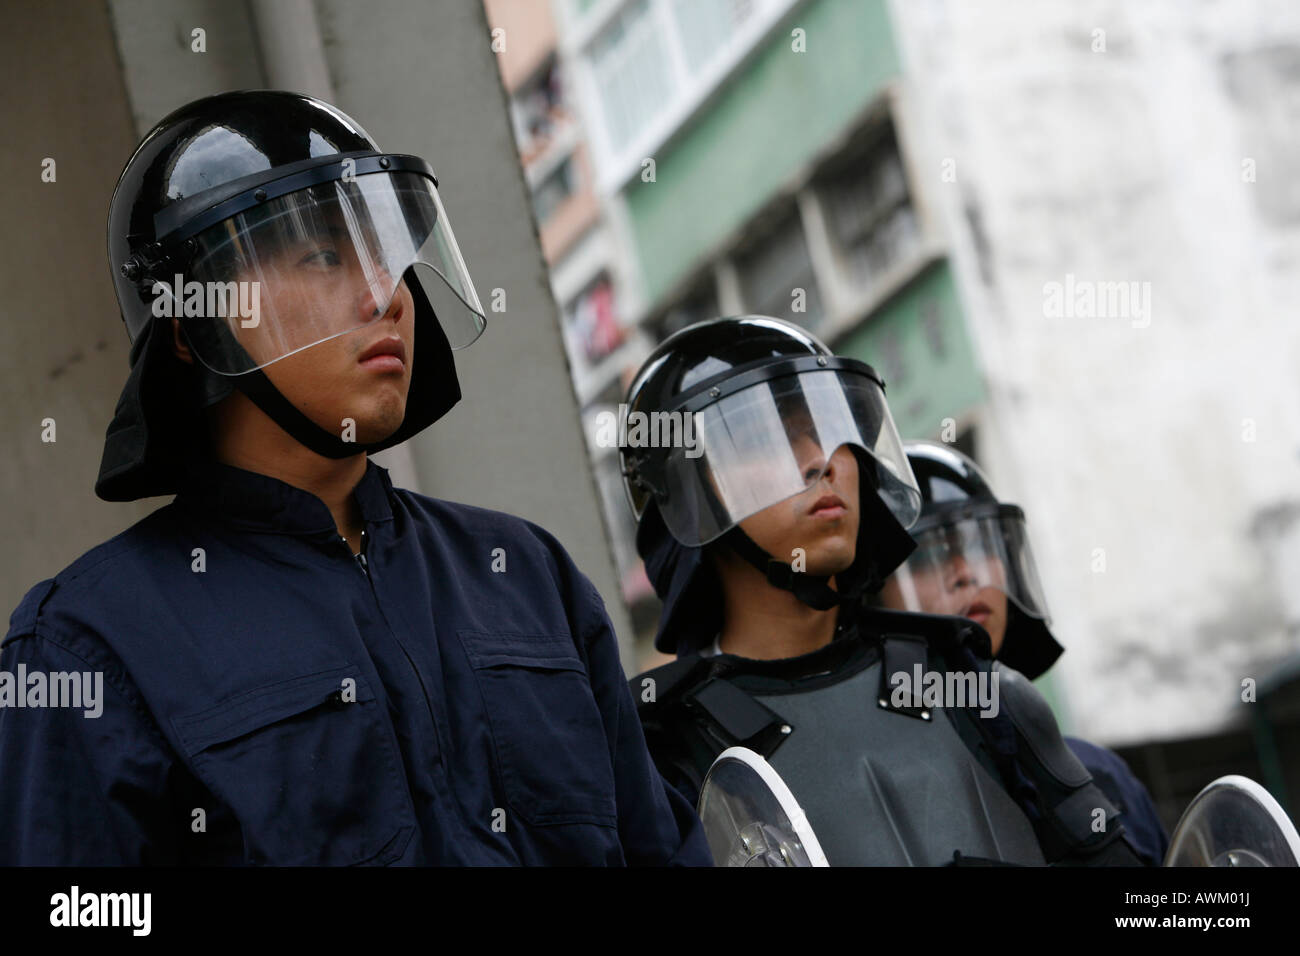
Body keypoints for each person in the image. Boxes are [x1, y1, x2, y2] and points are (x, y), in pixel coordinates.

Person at [0, 90, 709, 866]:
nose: (387, 296)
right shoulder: (89, 645)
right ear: (189, 321)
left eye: (390, 255)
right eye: (323, 256)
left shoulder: (524, 574)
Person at [625, 315, 1144, 865]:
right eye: (761, 436)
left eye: (828, 430)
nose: (819, 460)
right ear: (684, 495)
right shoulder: (655, 754)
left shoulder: (977, 688)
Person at [877, 439, 1170, 864]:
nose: (965, 574)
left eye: (981, 547)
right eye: (926, 558)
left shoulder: (1097, 771)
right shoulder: (870, 783)